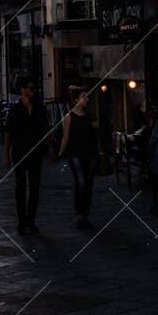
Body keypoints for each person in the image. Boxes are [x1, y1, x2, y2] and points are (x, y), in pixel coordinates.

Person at [3, 77, 50, 234]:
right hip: (19, 152)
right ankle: (22, 221)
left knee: (35, 187)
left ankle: (31, 220)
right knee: (21, 187)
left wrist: (50, 149)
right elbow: (8, 133)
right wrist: (6, 155)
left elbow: (46, 130)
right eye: (29, 88)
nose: (32, 91)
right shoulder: (15, 110)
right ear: (22, 90)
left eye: (34, 88)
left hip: (36, 153)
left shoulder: (41, 109)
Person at [56, 86, 97, 230]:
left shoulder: (89, 114)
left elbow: (96, 132)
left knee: (89, 184)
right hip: (75, 155)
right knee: (81, 182)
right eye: (83, 97)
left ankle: (85, 214)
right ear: (75, 100)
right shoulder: (69, 117)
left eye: (87, 97)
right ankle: (79, 213)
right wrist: (60, 153)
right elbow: (65, 137)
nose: (86, 99)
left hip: (90, 154)